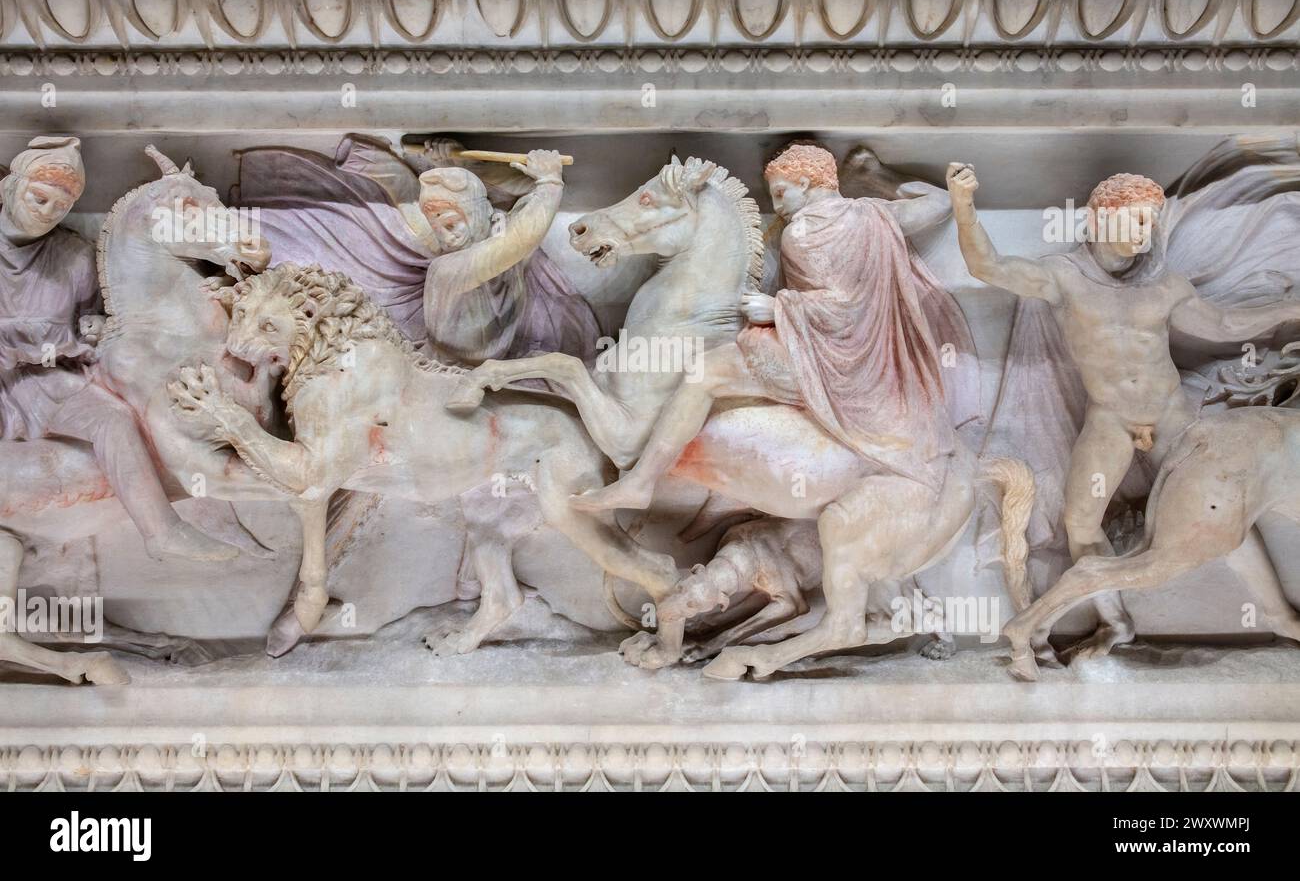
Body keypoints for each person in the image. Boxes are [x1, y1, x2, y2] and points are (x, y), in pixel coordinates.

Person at [946, 161, 1300, 657]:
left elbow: (1222, 325)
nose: (1145, 231)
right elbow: (989, 267)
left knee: (1219, 509)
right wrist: (963, 207)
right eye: (1137, 219)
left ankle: (1278, 614)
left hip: (1171, 414)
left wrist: (1288, 310)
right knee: (1080, 520)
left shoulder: (1165, 286)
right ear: (1100, 219)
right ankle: (1115, 622)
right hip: (1110, 419)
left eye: (1151, 221)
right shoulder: (1064, 277)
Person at [572, 142, 956, 512]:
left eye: (780, 193)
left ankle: (640, 482)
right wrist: (877, 176)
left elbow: (842, 305)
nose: (778, 207)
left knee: (707, 372)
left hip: (824, 357)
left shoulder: (802, 234)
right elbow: (940, 201)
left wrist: (780, 306)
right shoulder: (876, 215)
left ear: (805, 183)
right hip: (869, 364)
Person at [0, 136, 237, 562]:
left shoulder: (73, 256)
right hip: (8, 389)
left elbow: (100, 319)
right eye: (40, 197)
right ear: (10, 189)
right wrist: (34, 344)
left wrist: (93, 331)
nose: (49, 211)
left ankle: (164, 530)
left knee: (117, 416)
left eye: (62, 206)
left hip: (60, 381)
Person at [419, 149, 575, 366]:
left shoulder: (501, 231)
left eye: (450, 224)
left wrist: (469, 166)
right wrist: (550, 180)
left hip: (493, 370)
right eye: (436, 230)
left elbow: (534, 193)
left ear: (481, 211)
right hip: (449, 374)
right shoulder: (445, 269)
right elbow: (517, 240)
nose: (446, 238)